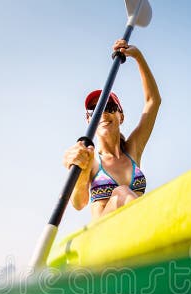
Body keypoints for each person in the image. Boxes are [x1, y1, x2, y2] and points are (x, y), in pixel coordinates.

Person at [63, 39, 161, 221]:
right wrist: (81, 172)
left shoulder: (133, 150)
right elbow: (78, 203)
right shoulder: (90, 159)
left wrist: (138, 56)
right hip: (106, 234)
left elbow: (153, 102)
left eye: (109, 107)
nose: (102, 113)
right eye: (94, 110)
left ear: (121, 116)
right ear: (89, 119)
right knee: (122, 192)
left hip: (137, 230)